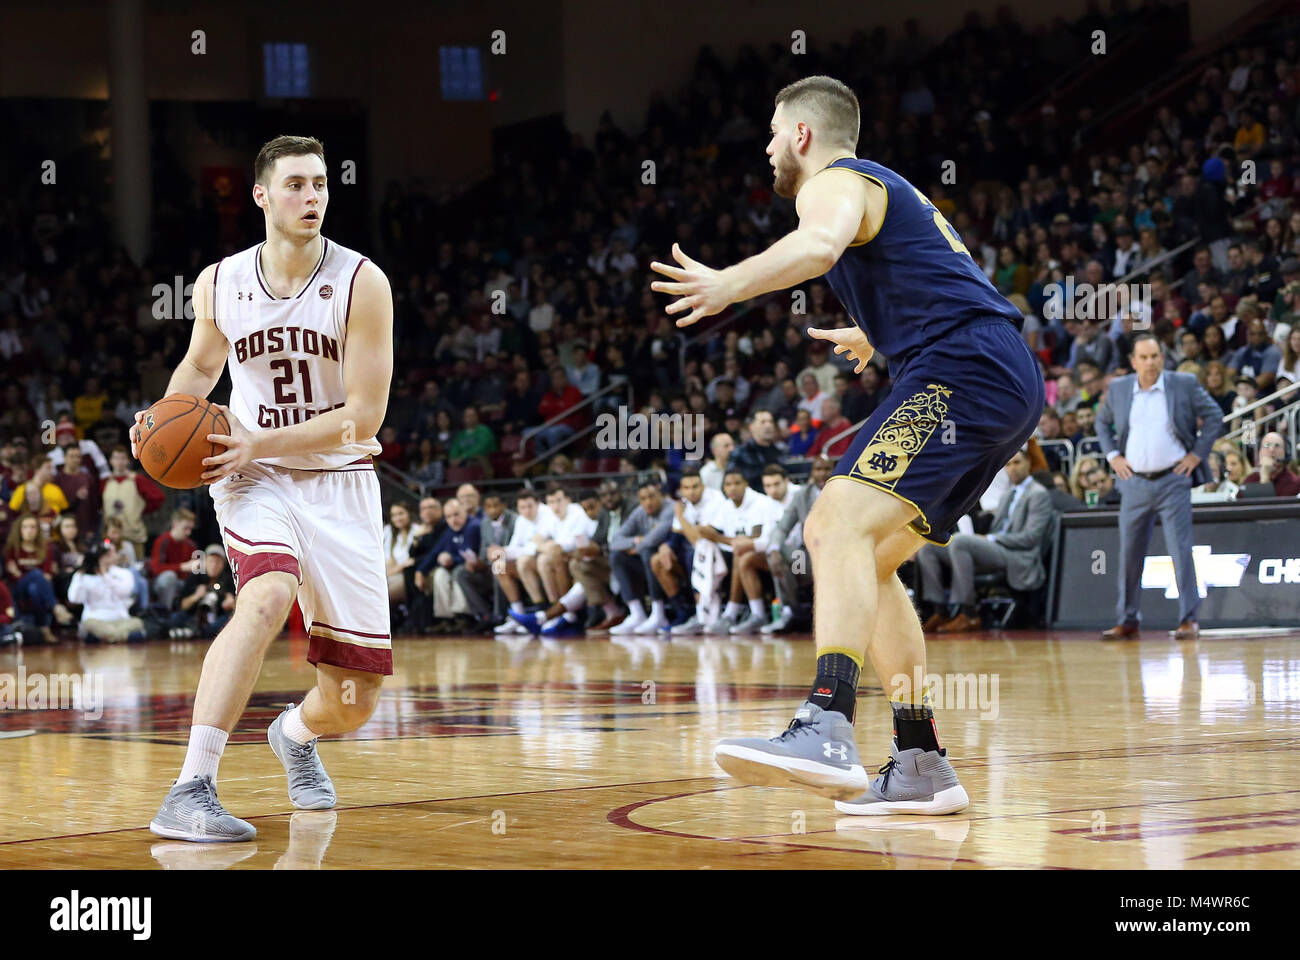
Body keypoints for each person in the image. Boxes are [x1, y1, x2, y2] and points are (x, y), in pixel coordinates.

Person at [651, 76, 1044, 815]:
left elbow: (819, 244)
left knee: (830, 525)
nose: (768, 147)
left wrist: (729, 284)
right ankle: (921, 757)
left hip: (963, 369)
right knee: (870, 554)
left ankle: (826, 724)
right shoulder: (888, 191)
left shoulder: (834, 181)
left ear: (803, 134)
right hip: (986, 369)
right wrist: (881, 330)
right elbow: (950, 279)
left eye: (773, 132)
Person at [137, 135, 394, 842]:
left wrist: (260, 438)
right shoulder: (219, 282)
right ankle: (191, 787)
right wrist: (159, 419)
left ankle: (294, 734)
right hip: (252, 479)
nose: (311, 197)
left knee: (353, 700)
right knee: (267, 595)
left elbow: (364, 419)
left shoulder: (362, 282)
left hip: (340, 482)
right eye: (295, 185)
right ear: (260, 195)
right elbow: (198, 368)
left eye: (319, 185)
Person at [1095, 333, 1223, 641]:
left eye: (1155, 356)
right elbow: (1102, 423)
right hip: (1134, 482)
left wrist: (1196, 455)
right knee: (1128, 553)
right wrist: (1113, 456)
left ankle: (1189, 619)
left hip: (1172, 480)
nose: (1150, 362)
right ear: (1133, 361)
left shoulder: (1183, 384)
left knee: (1181, 550)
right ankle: (1127, 620)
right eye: (1144, 357)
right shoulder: (1120, 388)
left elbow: (1214, 415)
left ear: (1162, 359)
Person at [914, 448, 1053, 633]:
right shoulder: (1007, 494)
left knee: (960, 542)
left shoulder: (1038, 494)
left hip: (1018, 555)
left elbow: (1031, 538)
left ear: (1028, 463)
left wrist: (990, 538)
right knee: (929, 548)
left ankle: (969, 613)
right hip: (997, 548)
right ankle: (940, 610)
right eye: (1008, 464)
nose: (1012, 468)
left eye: (1017, 463)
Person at [67, 541, 146, 644]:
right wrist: (79, 575)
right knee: (92, 626)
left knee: (137, 623)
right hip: (95, 620)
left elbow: (124, 592)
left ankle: (109, 638)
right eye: (105, 554)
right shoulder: (85, 576)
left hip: (120, 620)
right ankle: (123, 637)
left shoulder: (124, 573)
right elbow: (74, 599)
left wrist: (104, 574)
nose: (108, 556)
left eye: (111, 553)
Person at [3, 513, 59, 644]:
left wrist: (24, 574)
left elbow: (48, 576)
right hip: (17, 588)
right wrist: (33, 575)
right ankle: (55, 607)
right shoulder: (11, 549)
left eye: (33, 527)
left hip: (38, 588)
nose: (29, 531)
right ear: (19, 530)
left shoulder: (45, 549)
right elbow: (13, 576)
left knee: (35, 589)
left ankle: (43, 628)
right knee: (36, 574)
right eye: (26, 527)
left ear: (38, 530)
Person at [166, 545, 239, 639]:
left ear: (223, 564)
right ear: (205, 562)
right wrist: (196, 596)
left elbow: (236, 608)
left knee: (222, 624)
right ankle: (192, 630)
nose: (214, 565)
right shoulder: (195, 577)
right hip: (193, 616)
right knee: (172, 619)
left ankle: (192, 632)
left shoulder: (229, 580)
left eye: (218, 562)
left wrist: (231, 604)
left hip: (217, 618)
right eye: (211, 561)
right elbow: (182, 606)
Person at [150, 508, 200, 612]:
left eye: (190, 529)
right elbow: (156, 568)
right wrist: (183, 566)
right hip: (162, 583)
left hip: (184, 583)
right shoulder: (163, 541)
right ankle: (165, 612)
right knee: (169, 577)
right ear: (175, 524)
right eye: (185, 528)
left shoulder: (191, 544)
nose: (189, 532)